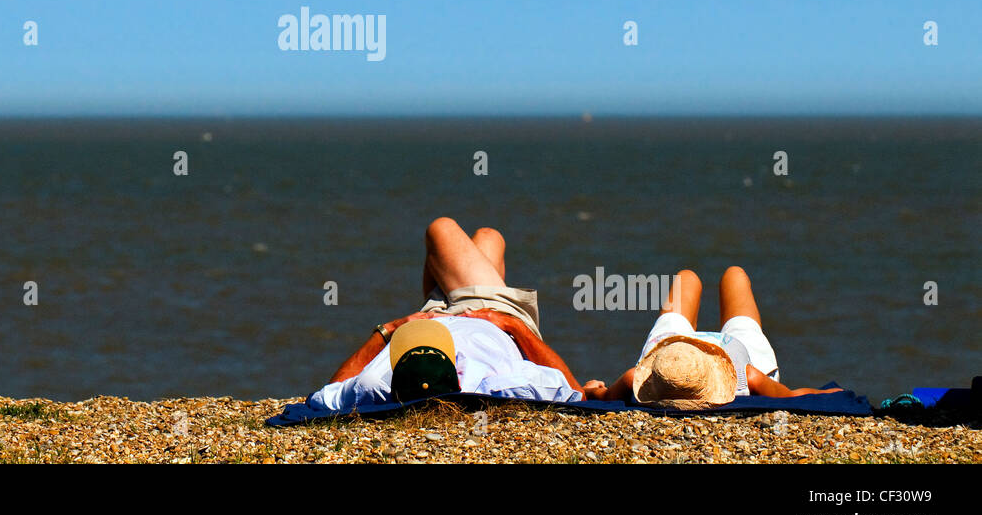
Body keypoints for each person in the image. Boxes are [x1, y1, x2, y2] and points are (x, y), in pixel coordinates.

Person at [307, 217, 583, 412]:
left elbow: (329, 392)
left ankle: (449, 287)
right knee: (458, 231)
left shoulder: (377, 385)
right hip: (490, 317)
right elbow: (575, 392)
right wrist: (513, 326)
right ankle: (463, 283)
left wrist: (389, 330)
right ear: (458, 378)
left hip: (430, 316)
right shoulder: (498, 384)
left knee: (478, 242)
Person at [580, 267, 841, 406]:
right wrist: (829, 394)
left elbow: (601, 395)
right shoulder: (748, 378)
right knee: (734, 275)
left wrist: (592, 390)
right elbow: (792, 397)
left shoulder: (636, 379)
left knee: (686, 278)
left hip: (669, 351)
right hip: (735, 351)